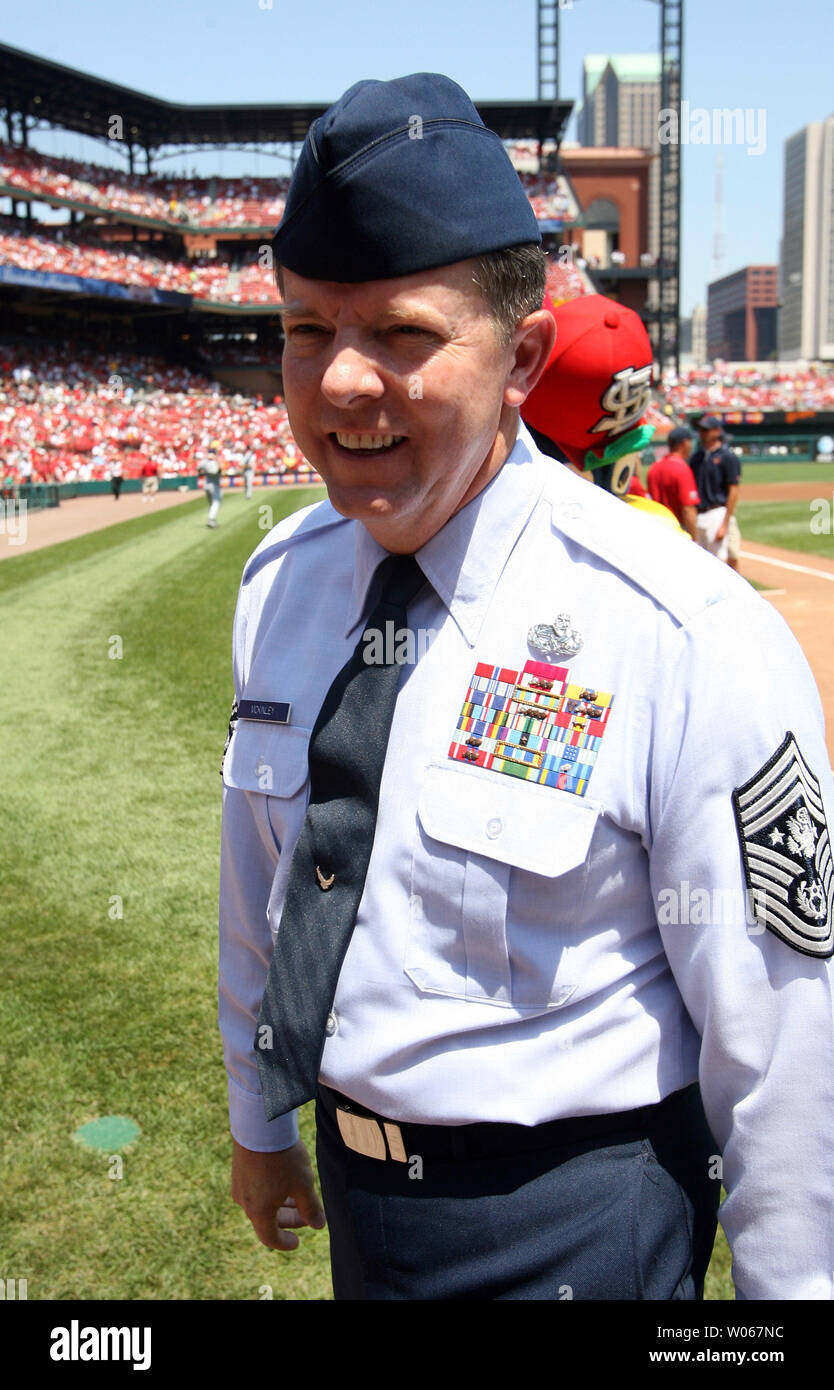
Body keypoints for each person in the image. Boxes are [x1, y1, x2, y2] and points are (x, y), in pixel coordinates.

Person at [218, 72, 834, 1302]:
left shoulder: (677, 626)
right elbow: (262, 880)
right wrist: (258, 1115)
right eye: (304, 328)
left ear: (524, 357)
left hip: (579, 1227)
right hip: (362, 1209)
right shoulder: (280, 584)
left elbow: (786, 1042)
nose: (340, 383)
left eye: (401, 334)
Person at [689, 414, 742, 568]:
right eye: (700, 429)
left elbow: (733, 491)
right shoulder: (697, 457)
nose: (702, 433)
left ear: (717, 431)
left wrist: (724, 523)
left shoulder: (727, 457)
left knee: (720, 562)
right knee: (701, 562)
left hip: (716, 512)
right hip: (698, 514)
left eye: (706, 430)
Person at [647, 426, 700, 539]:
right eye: (690, 442)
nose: (691, 446)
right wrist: (695, 538)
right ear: (684, 444)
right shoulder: (682, 469)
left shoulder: (654, 467)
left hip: (657, 527)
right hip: (677, 529)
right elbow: (688, 509)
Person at [201, 443, 223, 527]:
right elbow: (220, 469)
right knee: (216, 502)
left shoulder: (205, 461)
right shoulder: (215, 462)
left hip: (206, 485)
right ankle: (211, 519)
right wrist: (216, 459)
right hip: (214, 486)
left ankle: (211, 518)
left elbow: (199, 468)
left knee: (212, 503)